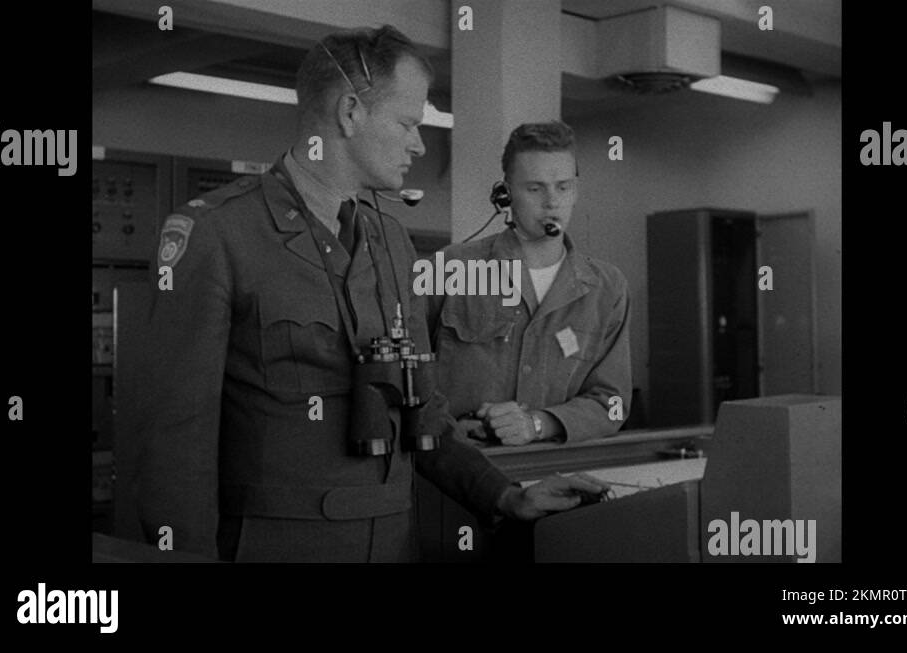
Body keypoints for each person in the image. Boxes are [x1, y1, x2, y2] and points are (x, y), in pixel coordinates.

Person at [132, 26, 607, 562]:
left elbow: (423, 413)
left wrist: (506, 495)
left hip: (391, 544)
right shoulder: (219, 236)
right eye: (407, 122)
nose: (419, 143)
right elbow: (174, 449)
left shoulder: (391, 244)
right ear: (351, 112)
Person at [428, 121, 632, 446]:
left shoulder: (607, 288)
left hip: (551, 472)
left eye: (563, 187)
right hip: (457, 472)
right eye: (535, 189)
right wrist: (443, 427)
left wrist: (537, 424)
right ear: (506, 193)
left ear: (576, 191)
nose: (552, 202)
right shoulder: (452, 268)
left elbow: (612, 403)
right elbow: (403, 374)